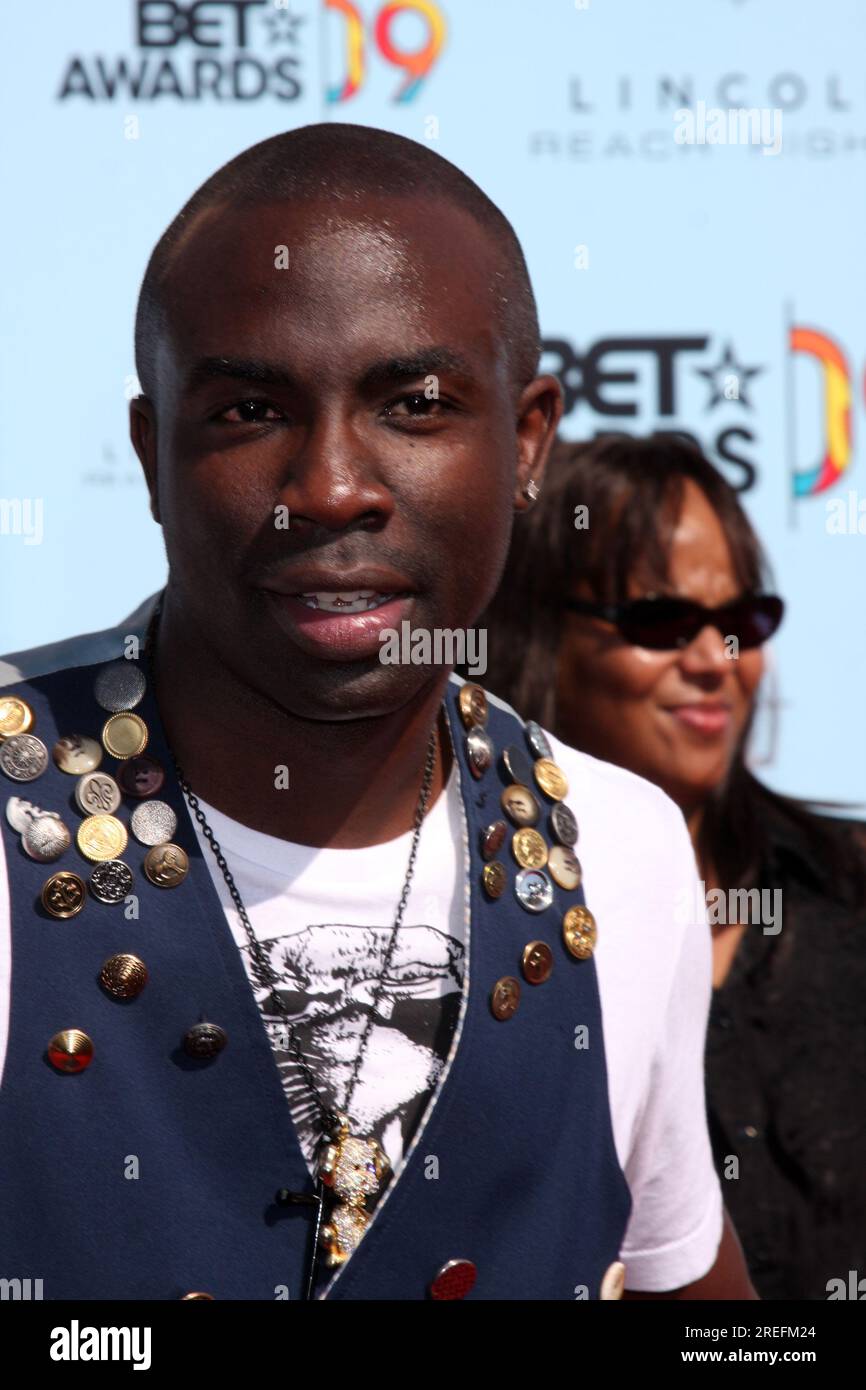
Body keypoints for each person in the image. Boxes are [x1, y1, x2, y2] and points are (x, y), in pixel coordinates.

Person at [0, 127, 753, 1301]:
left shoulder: (621, 848)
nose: (331, 488)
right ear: (152, 455)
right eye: (250, 411)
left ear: (526, 441)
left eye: (413, 403)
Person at [479, 432, 866, 1300]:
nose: (712, 661)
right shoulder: (468, 923)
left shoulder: (851, 888)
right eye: (661, 623)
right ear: (539, 637)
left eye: (742, 622)